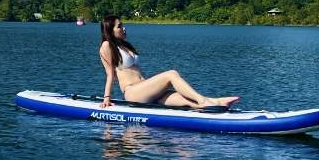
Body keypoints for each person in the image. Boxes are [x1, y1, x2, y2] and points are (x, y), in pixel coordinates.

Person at [98, 14, 239, 109]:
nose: (124, 28)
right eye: (119, 26)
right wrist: (107, 98)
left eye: (123, 25)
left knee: (183, 99)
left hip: (146, 91)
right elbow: (110, 75)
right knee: (171, 74)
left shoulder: (124, 45)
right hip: (133, 93)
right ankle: (203, 101)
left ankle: (216, 103)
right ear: (110, 31)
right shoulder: (107, 46)